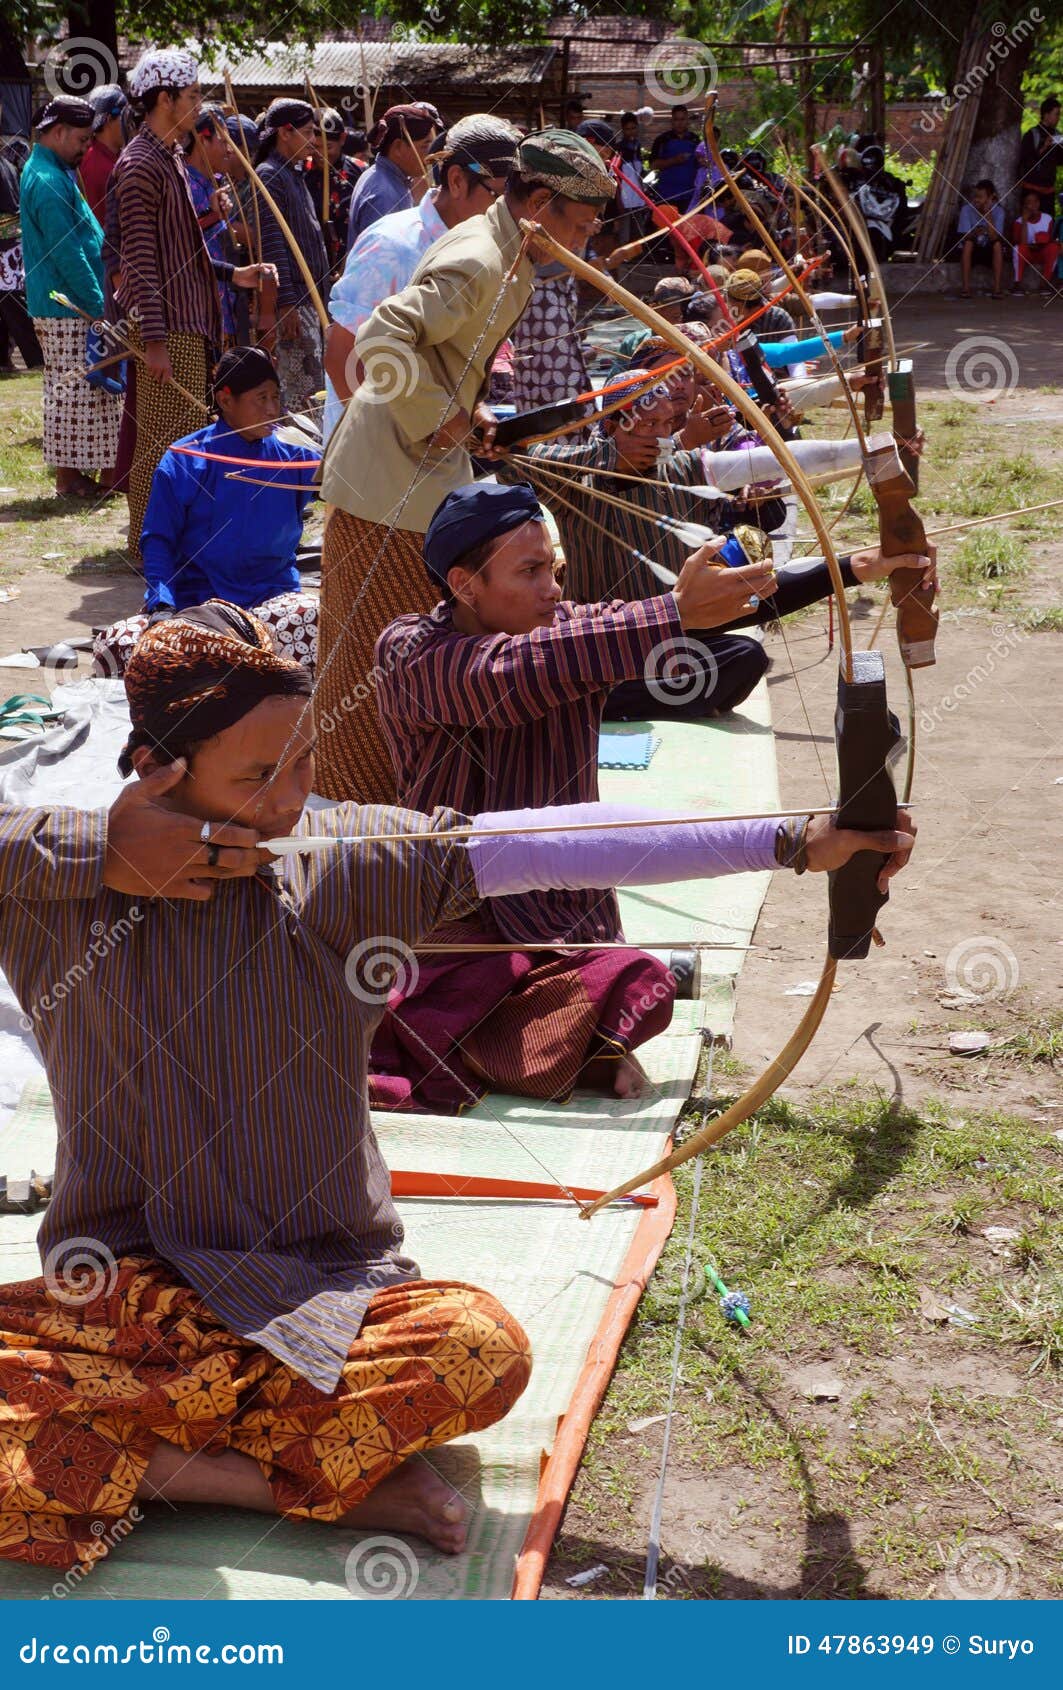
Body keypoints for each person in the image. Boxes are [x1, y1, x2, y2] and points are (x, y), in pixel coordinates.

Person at [0, 597, 915, 1573]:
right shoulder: (58, 883)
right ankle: (252, 1477)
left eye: (303, 761)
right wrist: (102, 852)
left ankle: (155, 1455)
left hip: (318, 1287)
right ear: (154, 769)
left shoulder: (345, 857)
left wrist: (788, 837)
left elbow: (550, 841)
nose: (288, 799)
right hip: (127, 1288)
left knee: (477, 1346)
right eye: (255, 776)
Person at [369, 480, 921, 1110]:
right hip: (455, 926)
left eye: (552, 567)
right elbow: (513, 673)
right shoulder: (410, 651)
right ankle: (528, 1041)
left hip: (562, 929)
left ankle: (557, 1039)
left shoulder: (562, 629)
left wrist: (852, 568)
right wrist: (672, 613)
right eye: (530, 571)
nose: (553, 587)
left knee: (633, 981)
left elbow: (720, 610)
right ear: (464, 585)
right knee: (425, 999)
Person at [316, 127, 614, 807]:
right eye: (577, 221)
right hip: (386, 483)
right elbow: (382, 339)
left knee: (401, 656)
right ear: (537, 201)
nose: (584, 240)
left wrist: (464, 413)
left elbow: (440, 354)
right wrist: (440, 418)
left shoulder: (507, 249)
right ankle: (359, 819)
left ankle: (396, 809)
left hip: (415, 469)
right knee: (376, 664)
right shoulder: (483, 257)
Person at [112, 48, 273, 561]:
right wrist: (154, 343)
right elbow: (140, 263)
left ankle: (173, 540)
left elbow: (184, 252)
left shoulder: (171, 157)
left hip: (187, 324)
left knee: (184, 441)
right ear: (165, 99)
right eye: (193, 95)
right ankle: (147, 546)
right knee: (162, 444)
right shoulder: (140, 164)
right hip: (167, 329)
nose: (198, 105)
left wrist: (233, 274)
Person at [93, 346, 320, 673]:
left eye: (276, 397)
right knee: (118, 647)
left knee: (311, 620)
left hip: (273, 604)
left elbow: (341, 486)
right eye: (261, 399)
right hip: (201, 607)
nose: (273, 410)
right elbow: (158, 540)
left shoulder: (295, 455)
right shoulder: (186, 459)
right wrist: (162, 605)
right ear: (226, 400)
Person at [323, 114, 520, 442]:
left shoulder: (487, 249)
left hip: (440, 451)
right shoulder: (392, 245)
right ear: (456, 181)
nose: (505, 213)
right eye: (496, 196)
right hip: (378, 456)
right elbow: (343, 356)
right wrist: (393, 440)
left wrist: (472, 409)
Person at [18, 95, 121, 497]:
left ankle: (79, 475)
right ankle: (69, 477)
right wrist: (97, 305)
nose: (85, 148)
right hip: (67, 306)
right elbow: (67, 252)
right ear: (57, 132)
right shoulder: (46, 179)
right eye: (80, 139)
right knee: (73, 393)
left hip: (71, 302)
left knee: (83, 393)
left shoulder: (54, 170)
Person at [254, 98, 330, 412]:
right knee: (302, 397)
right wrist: (285, 302)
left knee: (317, 391)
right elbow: (274, 245)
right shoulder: (270, 174)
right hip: (296, 304)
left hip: (311, 300)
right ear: (285, 133)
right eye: (309, 133)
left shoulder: (292, 174)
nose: (314, 142)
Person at [344, 102, 441, 251]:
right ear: (398, 148)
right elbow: (380, 257)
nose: (430, 155)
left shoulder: (380, 177)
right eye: (424, 146)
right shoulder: (384, 195)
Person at [185, 103, 240, 344]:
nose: (228, 149)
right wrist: (212, 215)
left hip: (223, 305)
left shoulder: (215, 183)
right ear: (202, 140)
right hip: (197, 310)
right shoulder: (185, 183)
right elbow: (182, 238)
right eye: (222, 139)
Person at [0, 138, 42, 374]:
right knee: (8, 301)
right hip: (11, 241)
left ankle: (36, 358)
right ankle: (4, 359)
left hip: (5, 243)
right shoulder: (6, 163)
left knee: (11, 301)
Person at [305, 108, 363, 266]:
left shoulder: (360, 171)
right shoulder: (302, 171)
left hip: (353, 260)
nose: (320, 154)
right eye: (315, 147)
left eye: (328, 146)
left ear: (342, 139)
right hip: (312, 263)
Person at [80, 83, 126, 224]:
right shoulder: (95, 165)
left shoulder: (114, 158)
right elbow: (98, 223)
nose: (128, 122)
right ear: (108, 119)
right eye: (123, 116)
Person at [851, 145, 908, 261]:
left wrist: (900, 188)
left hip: (885, 213)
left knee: (901, 220)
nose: (870, 169)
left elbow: (898, 191)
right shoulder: (859, 178)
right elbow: (852, 188)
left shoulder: (889, 179)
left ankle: (896, 241)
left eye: (872, 165)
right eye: (867, 165)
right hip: (867, 213)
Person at [955, 180, 1006, 298]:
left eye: (980, 197)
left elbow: (994, 236)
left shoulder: (999, 212)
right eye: (975, 196)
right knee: (967, 243)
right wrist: (974, 233)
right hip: (973, 249)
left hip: (989, 250)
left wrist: (988, 214)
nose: (976, 200)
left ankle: (997, 289)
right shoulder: (967, 210)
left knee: (997, 245)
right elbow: (965, 235)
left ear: (991, 198)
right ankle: (966, 288)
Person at [1017, 96, 1063, 217]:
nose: (1059, 118)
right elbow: (1025, 160)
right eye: (1056, 114)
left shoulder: (1058, 135)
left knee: (1047, 226)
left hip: (1048, 191)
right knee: (1029, 225)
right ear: (1046, 115)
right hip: (1031, 191)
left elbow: (1059, 161)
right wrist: (1044, 147)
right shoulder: (1032, 135)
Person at [648, 106, 699, 211]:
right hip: (667, 196)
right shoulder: (662, 140)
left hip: (690, 197)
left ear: (687, 120)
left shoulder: (695, 140)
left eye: (682, 119)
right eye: (676, 119)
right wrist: (674, 161)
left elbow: (701, 164)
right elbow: (653, 165)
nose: (679, 123)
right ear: (671, 121)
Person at [1012, 187, 1060, 290]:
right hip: (1028, 253)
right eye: (1029, 202)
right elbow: (1021, 244)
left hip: (1043, 253)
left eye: (1035, 202)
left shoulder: (1047, 218)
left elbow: (1052, 239)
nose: (1033, 205)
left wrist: (1042, 242)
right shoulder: (1019, 221)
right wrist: (1025, 221)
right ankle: (1017, 283)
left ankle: (1045, 282)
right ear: (1024, 206)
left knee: (1054, 248)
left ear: (1039, 203)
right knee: (1017, 249)